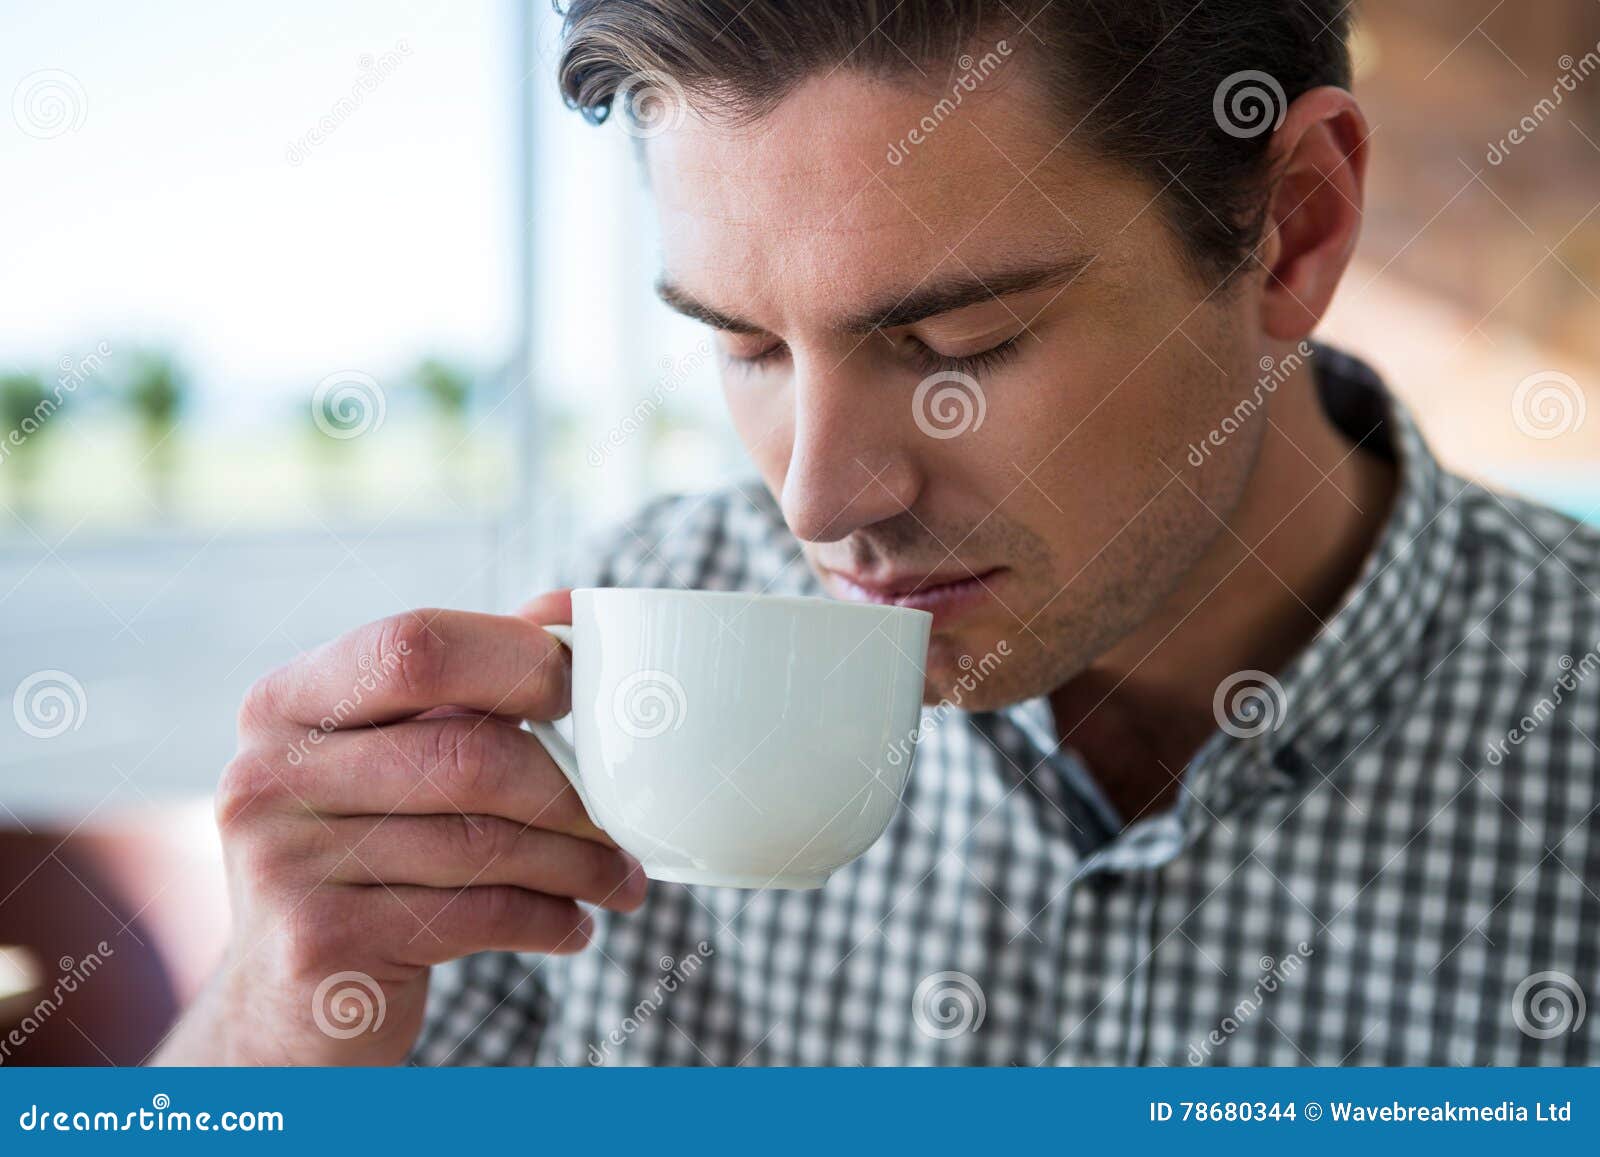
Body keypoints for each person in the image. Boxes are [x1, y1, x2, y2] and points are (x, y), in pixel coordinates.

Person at [157, 1, 1600, 1066]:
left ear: (1294, 223)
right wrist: (275, 1022)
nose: (819, 504)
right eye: (747, 349)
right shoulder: (631, 643)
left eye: (955, 343)